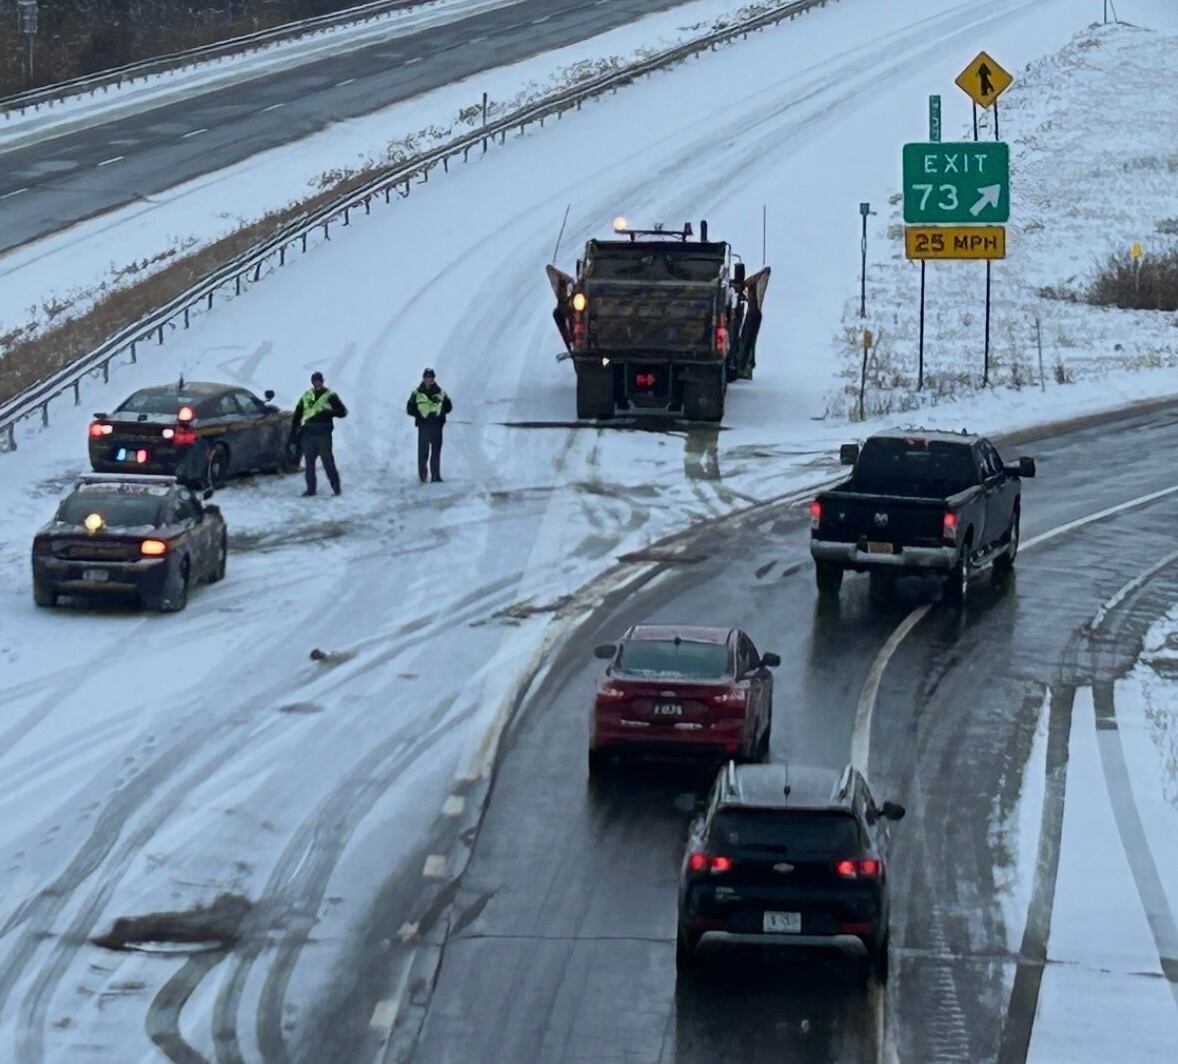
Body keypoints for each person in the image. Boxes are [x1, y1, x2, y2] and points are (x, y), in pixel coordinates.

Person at [291, 371, 347, 496]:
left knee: (327, 462)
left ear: (322, 381)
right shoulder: (307, 395)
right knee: (309, 464)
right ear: (312, 382)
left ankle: (336, 488)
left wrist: (329, 412)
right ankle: (311, 490)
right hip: (309, 433)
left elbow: (343, 412)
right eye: (315, 381)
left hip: (323, 433)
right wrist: (295, 429)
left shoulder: (330, 395)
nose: (317, 383)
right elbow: (298, 413)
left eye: (319, 380)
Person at [406, 368, 452, 483]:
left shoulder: (441, 392)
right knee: (423, 452)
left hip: (437, 426)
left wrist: (440, 413)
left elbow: (448, 407)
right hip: (424, 426)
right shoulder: (417, 393)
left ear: (433, 378)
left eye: (430, 377)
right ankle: (423, 476)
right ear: (423, 378)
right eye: (426, 377)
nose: (428, 380)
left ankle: (436, 476)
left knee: (436, 452)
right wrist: (420, 415)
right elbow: (409, 408)